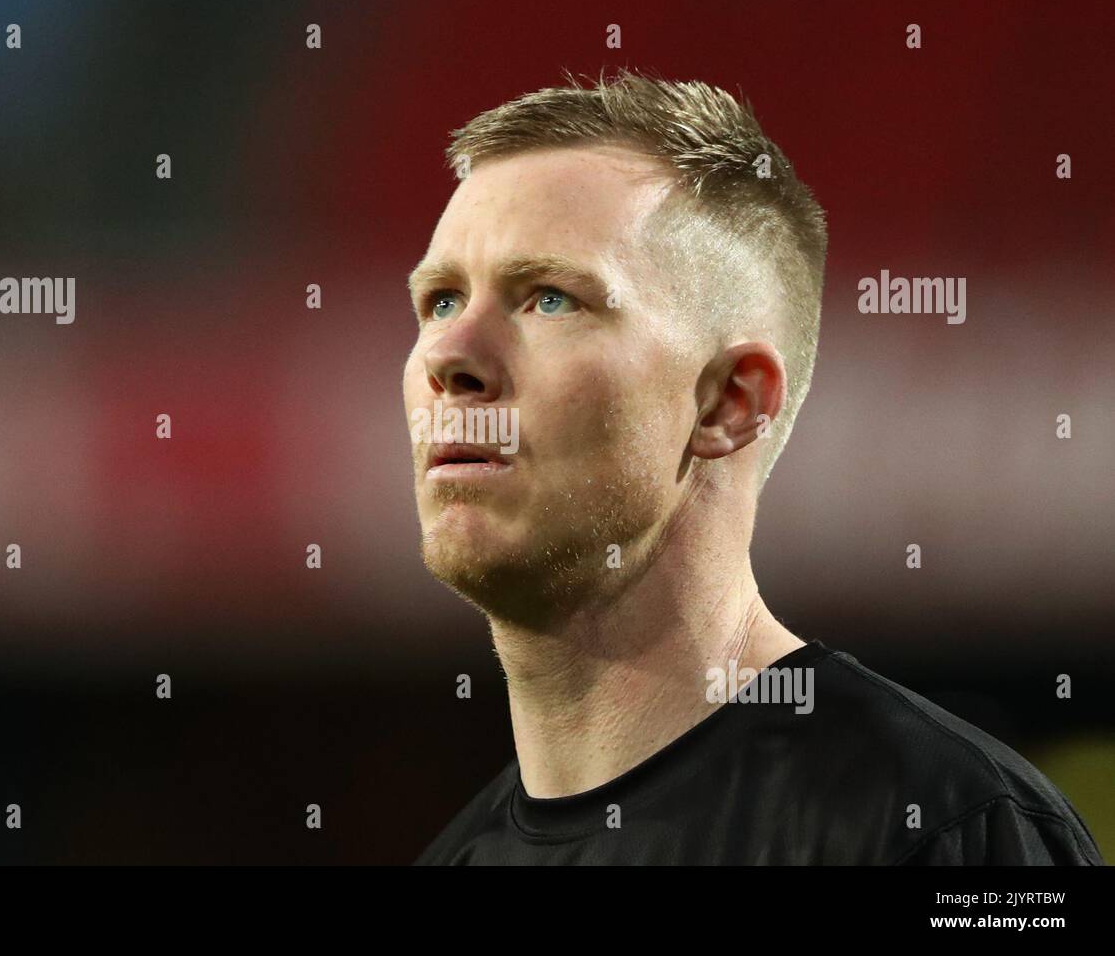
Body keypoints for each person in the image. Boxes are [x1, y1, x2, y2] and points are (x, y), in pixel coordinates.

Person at [402, 70, 1102, 865]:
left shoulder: (944, 828)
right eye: (443, 300)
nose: (449, 356)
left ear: (728, 404)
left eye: (550, 298)